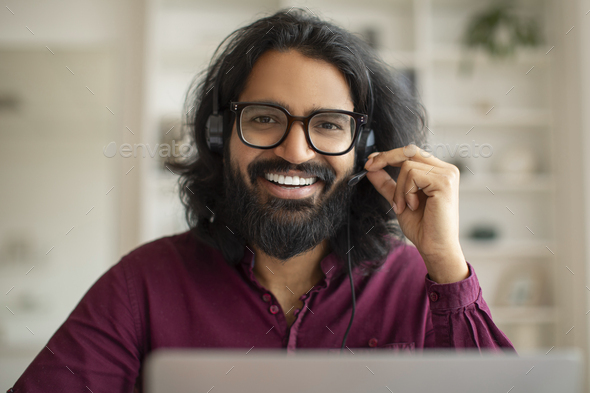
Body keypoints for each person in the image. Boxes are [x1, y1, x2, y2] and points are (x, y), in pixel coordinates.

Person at [8, 8, 515, 393]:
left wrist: (447, 265)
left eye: (329, 125)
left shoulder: (422, 283)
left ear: (364, 150)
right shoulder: (143, 283)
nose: (295, 151)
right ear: (219, 136)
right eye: (265, 119)